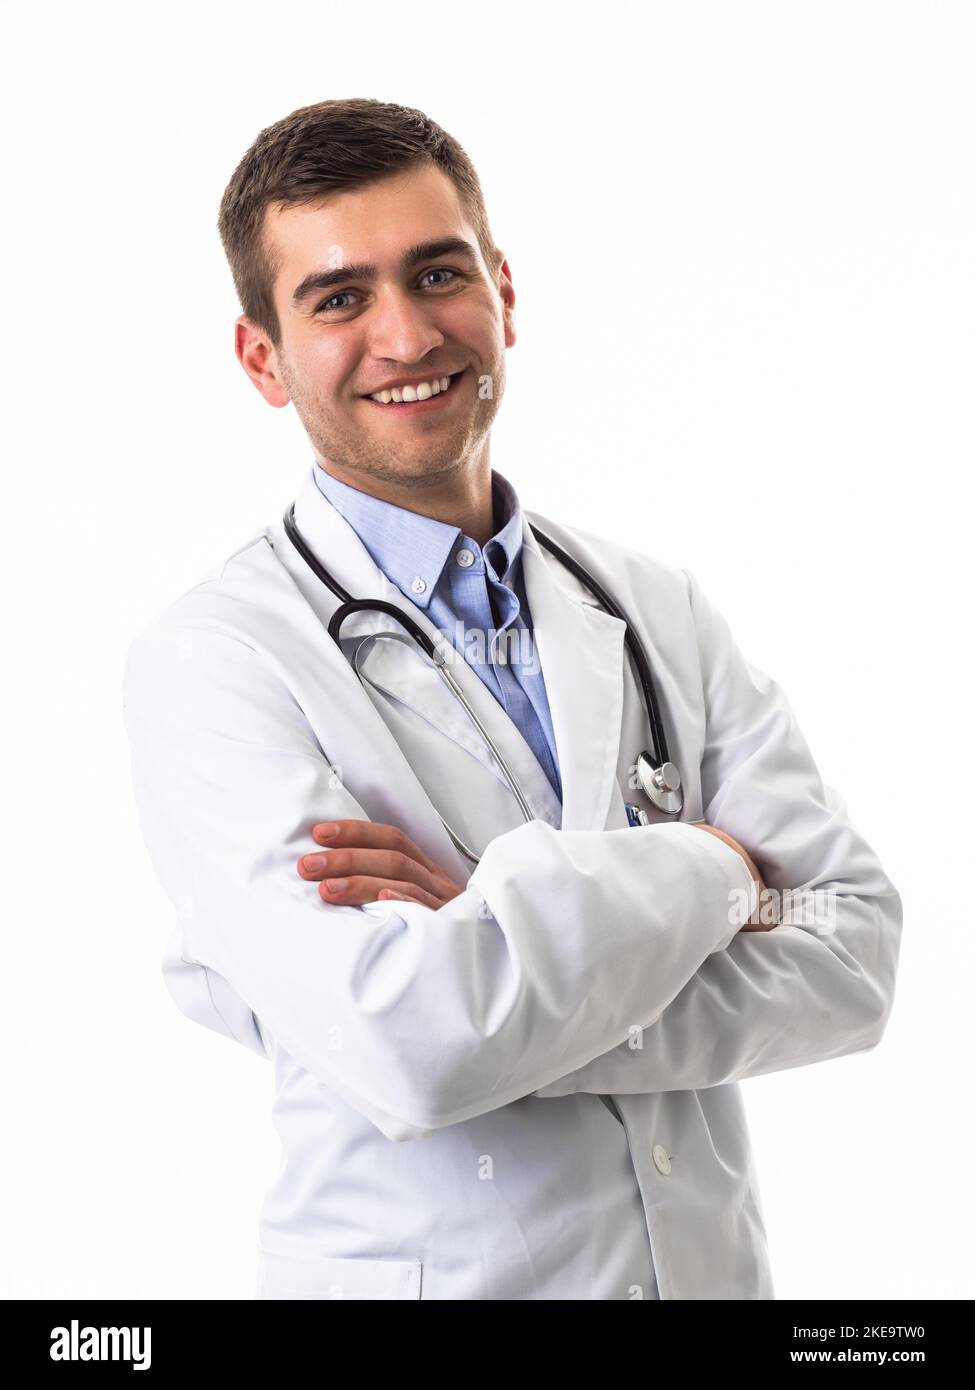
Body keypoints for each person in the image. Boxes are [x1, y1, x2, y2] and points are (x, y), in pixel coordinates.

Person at [122, 97, 903, 1301]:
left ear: (503, 292)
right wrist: (716, 872)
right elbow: (413, 1044)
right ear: (263, 359)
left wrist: (506, 943)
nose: (406, 333)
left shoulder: (654, 606)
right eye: (339, 297)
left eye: (438, 274)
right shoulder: (216, 661)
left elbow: (852, 956)